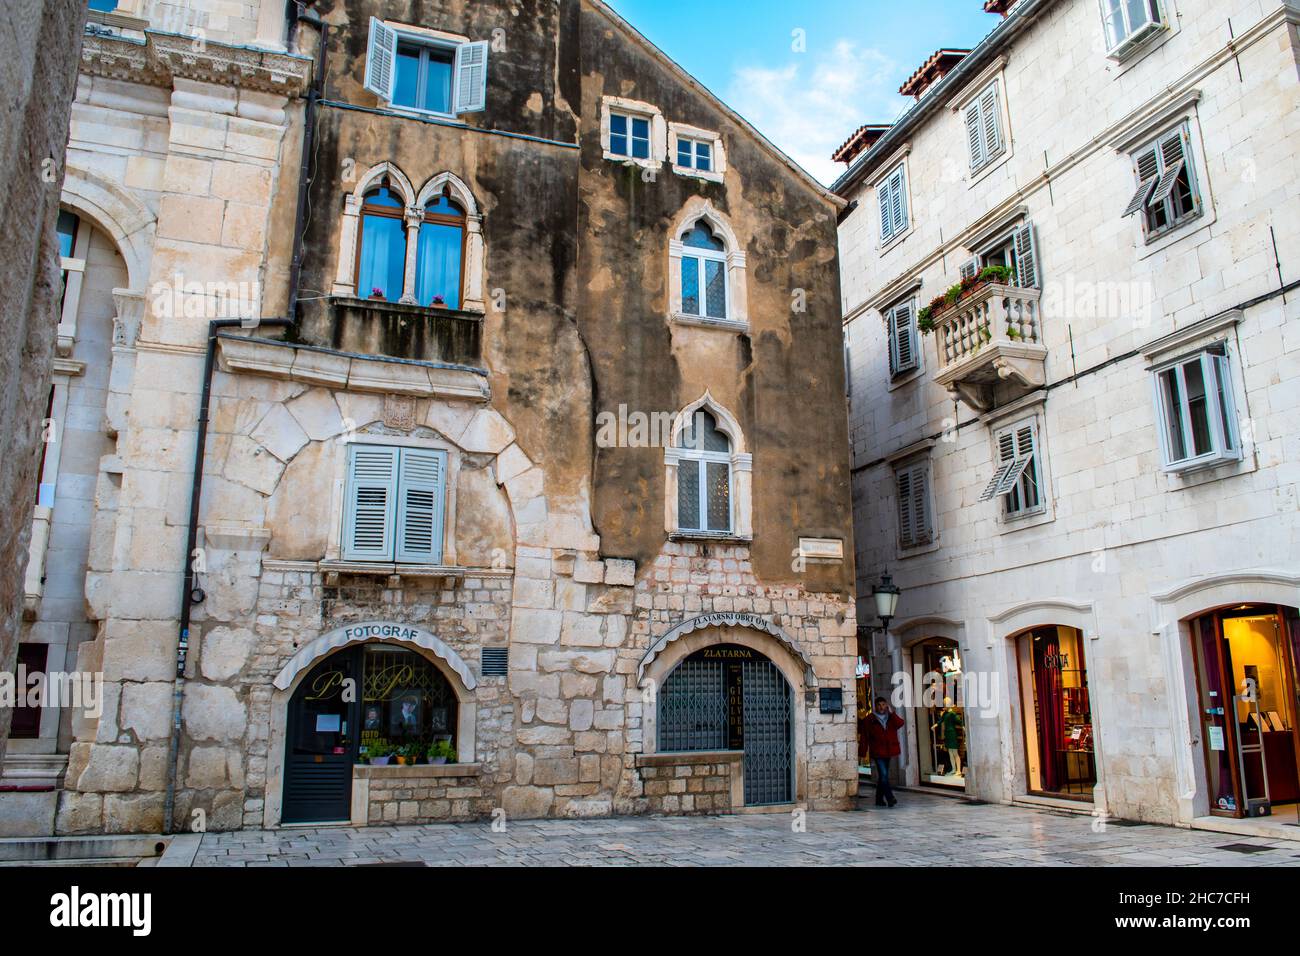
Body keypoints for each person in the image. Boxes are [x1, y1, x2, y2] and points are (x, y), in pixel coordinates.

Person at [866, 696, 904, 807]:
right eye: (879, 705)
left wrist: (892, 713)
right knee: (883, 775)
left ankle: (879, 800)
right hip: (877, 751)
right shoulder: (870, 719)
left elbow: (900, 723)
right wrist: (863, 750)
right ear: (875, 706)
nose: (881, 707)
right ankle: (890, 798)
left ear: (886, 705)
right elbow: (865, 735)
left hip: (888, 751)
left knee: (883, 776)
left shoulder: (890, 717)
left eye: (883, 704)